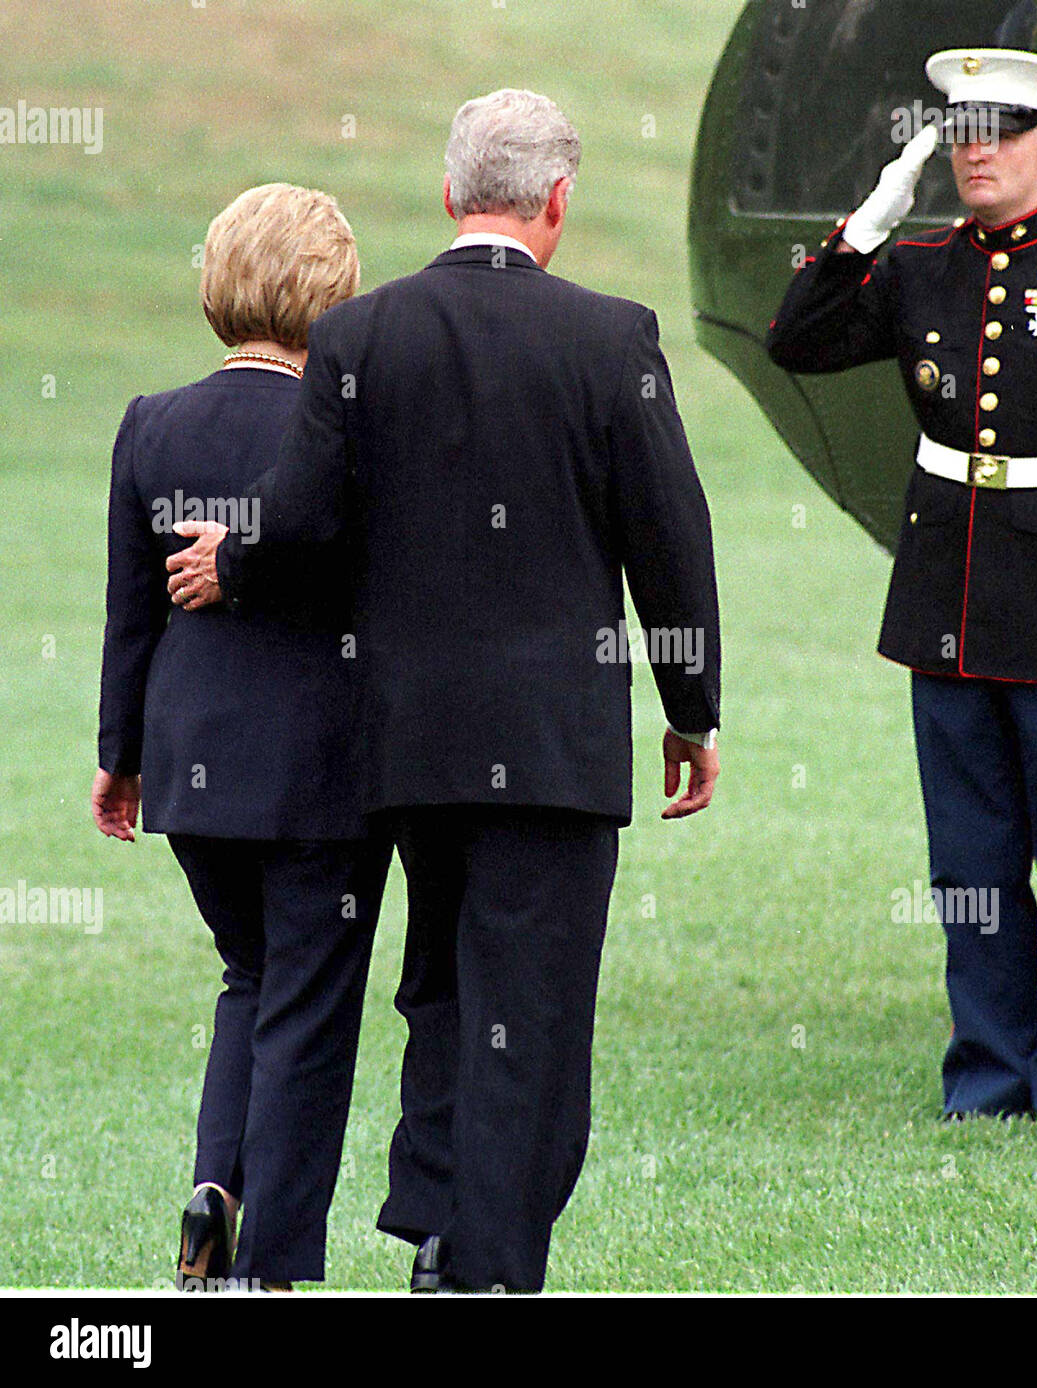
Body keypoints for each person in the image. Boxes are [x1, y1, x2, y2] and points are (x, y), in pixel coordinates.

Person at [165, 88, 723, 1291]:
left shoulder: (362, 336)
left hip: (405, 745)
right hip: (557, 747)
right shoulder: (612, 336)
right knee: (534, 1010)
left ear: (448, 194)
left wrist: (233, 560)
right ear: (558, 201)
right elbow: (670, 539)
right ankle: (477, 1262)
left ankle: (430, 1214)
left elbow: (304, 519)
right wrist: (691, 708)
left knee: (440, 985)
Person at [767, 49, 1037, 1130]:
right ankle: (988, 1072)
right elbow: (797, 341)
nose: (975, 151)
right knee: (968, 864)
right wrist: (863, 225)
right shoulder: (917, 268)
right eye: (960, 133)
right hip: (950, 601)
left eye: (998, 133)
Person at [93, 182, 392, 1290]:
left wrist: (117, 754)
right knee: (308, 1010)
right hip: (323, 772)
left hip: (188, 765)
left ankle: (214, 1189)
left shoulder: (149, 422)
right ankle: (275, 1265)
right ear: (333, 293)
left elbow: (132, 610)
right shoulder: (349, 426)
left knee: (248, 975)